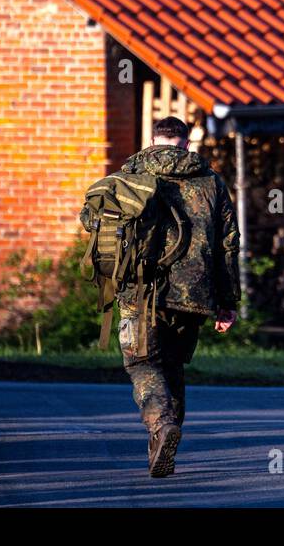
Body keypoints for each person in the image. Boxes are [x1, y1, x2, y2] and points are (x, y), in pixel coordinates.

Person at [81, 116, 239, 478]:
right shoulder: (210, 181)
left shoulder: (129, 174)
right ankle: (164, 443)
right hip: (193, 294)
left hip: (139, 289)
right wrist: (227, 301)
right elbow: (228, 244)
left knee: (142, 364)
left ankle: (161, 424)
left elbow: (90, 220)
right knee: (171, 366)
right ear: (185, 143)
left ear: (152, 141)